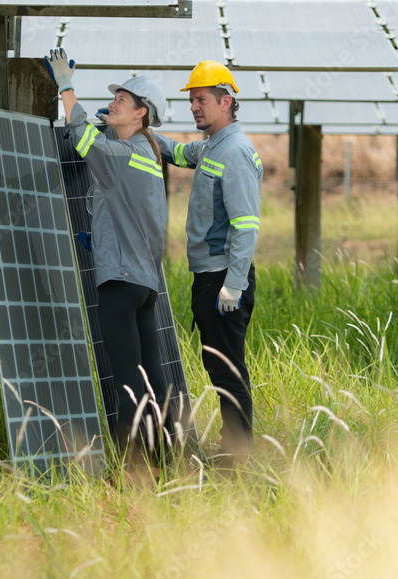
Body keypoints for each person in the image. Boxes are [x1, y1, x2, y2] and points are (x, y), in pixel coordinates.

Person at [43, 47, 172, 466]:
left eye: (121, 100)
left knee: (127, 382)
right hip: (145, 285)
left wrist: (66, 87)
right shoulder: (147, 156)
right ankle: (166, 462)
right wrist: (97, 239)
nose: (113, 103)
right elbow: (131, 216)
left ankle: (130, 469)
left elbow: (84, 140)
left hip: (119, 283)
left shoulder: (122, 155)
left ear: (141, 114)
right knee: (154, 379)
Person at [150, 60, 263, 463]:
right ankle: (234, 448)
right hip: (209, 276)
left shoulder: (235, 152)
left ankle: (239, 456)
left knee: (228, 370)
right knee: (219, 366)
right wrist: (142, 130)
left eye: (201, 100)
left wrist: (234, 284)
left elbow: (246, 226)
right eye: (192, 100)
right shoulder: (213, 146)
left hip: (223, 280)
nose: (194, 107)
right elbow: (180, 153)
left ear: (225, 101)